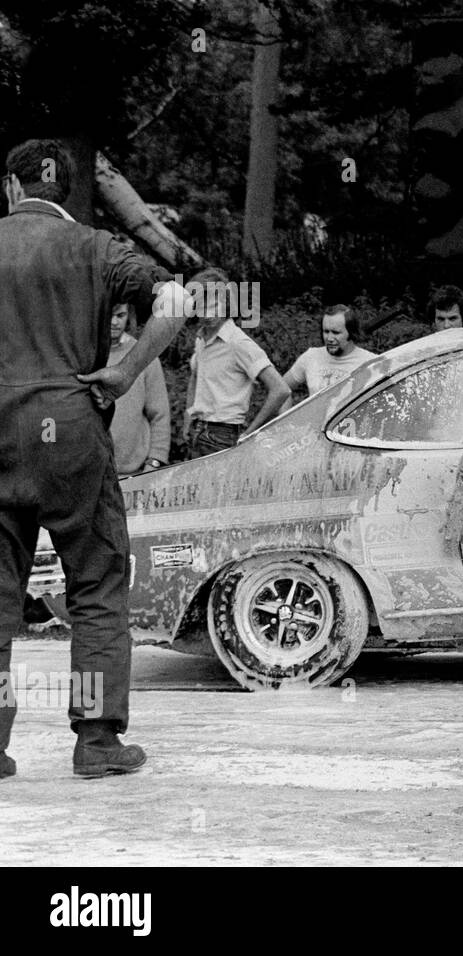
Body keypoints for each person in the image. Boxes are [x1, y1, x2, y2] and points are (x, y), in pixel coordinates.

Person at [0, 138, 189, 779]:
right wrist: (125, 371)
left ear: (11, 188)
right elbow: (175, 304)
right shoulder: (100, 249)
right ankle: (97, 741)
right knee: (96, 589)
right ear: (70, 193)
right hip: (74, 429)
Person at [185, 267, 290, 458]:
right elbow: (195, 377)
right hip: (197, 431)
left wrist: (251, 431)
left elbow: (280, 389)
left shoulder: (238, 343)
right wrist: (188, 416)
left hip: (222, 435)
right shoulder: (201, 339)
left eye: (214, 305)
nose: (208, 314)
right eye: (202, 306)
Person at [106, 303, 171, 476]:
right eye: (109, 315)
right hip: (91, 473)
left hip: (134, 472)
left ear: (128, 316)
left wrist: (155, 461)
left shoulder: (144, 355)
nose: (114, 322)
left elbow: (160, 414)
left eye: (120, 316)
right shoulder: (84, 355)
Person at [280, 305, 376, 411]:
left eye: (336, 332)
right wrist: (285, 425)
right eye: (326, 332)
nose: (329, 338)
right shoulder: (311, 356)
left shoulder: (370, 363)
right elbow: (282, 388)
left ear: (351, 332)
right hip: (314, 426)